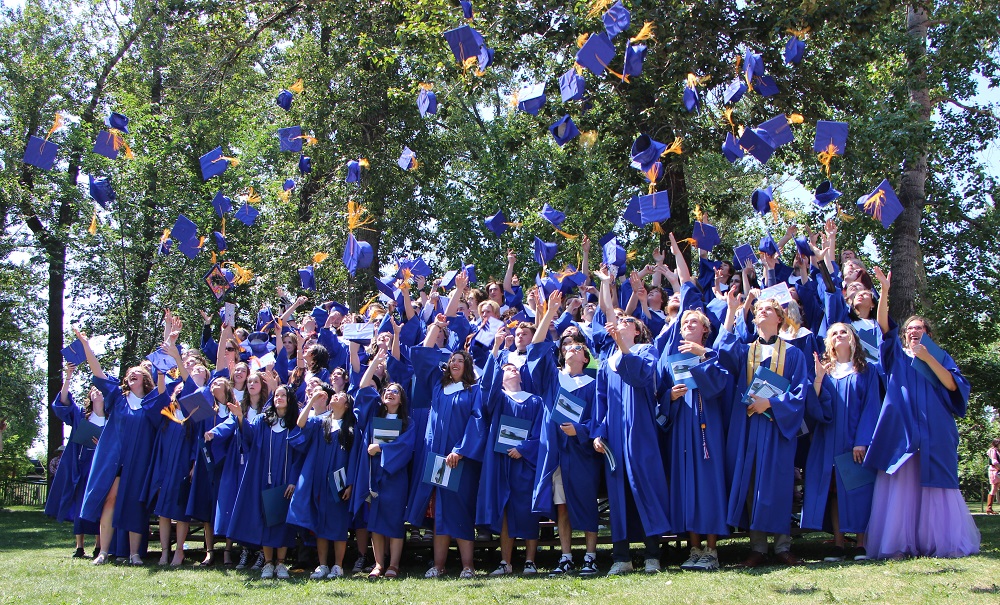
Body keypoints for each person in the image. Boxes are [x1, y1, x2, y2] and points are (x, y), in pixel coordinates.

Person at [864, 268, 980, 558]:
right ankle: (902, 544)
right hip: (902, 428)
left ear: (927, 334)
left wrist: (928, 358)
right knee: (903, 486)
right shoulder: (896, 355)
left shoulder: (939, 356)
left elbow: (954, 386)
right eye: (910, 329)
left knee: (937, 483)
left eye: (920, 328)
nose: (914, 331)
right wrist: (885, 291)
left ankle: (939, 542)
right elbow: (882, 325)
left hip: (935, 428)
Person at [715, 290, 809, 567]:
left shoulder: (793, 353)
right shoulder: (746, 350)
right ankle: (757, 547)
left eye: (768, 310)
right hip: (748, 427)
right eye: (758, 311)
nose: (761, 313)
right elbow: (722, 351)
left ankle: (782, 547)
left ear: (779, 318)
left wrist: (771, 403)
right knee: (751, 484)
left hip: (777, 428)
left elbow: (801, 392)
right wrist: (732, 311)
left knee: (779, 485)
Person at [591, 267, 670, 575]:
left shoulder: (647, 351)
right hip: (614, 432)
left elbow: (639, 376)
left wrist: (622, 344)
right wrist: (606, 284)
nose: (619, 324)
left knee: (645, 487)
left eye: (626, 323)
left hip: (641, 430)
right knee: (618, 495)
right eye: (618, 322)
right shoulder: (606, 362)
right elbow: (601, 401)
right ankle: (621, 558)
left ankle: (653, 556)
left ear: (636, 330)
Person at [76, 326, 172, 566]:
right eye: (130, 373)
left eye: (137, 373)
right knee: (109, 500)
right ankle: (103, 552)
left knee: (134, 504)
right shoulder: (118, 398)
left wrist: (167, 345)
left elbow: (163, 394)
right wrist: (87, 346)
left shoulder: (151, 403)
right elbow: (97, 373)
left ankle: (134, 554)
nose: (132, 375)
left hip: (139, 460)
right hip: (114, 459)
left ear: (145, 379)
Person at [407, 300, 486, 579]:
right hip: (437, 457)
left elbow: (478, 422)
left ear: (467, 366)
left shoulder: (472, 391)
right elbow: (424, 355)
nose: (454, 363)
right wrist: (437, 326)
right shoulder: (438, 388)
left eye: (459, 360)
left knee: (460, 510)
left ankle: (468, 566)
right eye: (452, 360)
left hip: (458, 459)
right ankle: (438, 566)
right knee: (439, 512)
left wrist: (461, 451)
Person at [527, 290, 602, 577]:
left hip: (580, 450)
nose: (572, 349)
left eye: (578, 348)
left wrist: (580, 430)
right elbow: (535, 348)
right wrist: (549, 312)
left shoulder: (593, 384)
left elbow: (599, 418)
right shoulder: (552, 379)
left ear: (586, 357)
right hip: (555, 450)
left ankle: (591, 557)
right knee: (562, 506)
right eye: (567, 347)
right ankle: (567, 556)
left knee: (586, 502)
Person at [801, 323, 881, 561]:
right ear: (829, 342)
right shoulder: (826, 371)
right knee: (833, 491)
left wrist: (863, 440)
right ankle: (838, 543)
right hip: (827, 439)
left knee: (859, 488)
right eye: (834, 333)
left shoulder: (867, 371)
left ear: (853, 338)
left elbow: (872, 407)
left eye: (843, 332)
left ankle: (860, 543)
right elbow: (814, 407)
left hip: (854, 439)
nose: (838, 335)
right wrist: (817, 378)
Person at [216, 384, 303, 579]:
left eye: (283, 395)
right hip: (265, 477)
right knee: (266, 519)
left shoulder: (295, 424)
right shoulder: (262, 421)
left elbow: (299, 456)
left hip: (285, 479)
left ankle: (281, 563)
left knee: (282, 521)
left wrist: (293, 480)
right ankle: (268, 562)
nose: (279, 398)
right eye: (276, 395)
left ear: (289, 399)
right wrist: (239, 416)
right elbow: (248, 438)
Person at [479, 327, 544, 576]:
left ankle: (530, 561)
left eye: (514, 367)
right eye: (506, 368)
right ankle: (505, 562)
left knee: (528, 510)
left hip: (524, 461)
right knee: (505, 510)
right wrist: (496, 348)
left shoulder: (534, 400)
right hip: (501, 460)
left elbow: (540, 435)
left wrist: (524, 449)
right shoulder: (499, 399)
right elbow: (487, 388)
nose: (512, 369)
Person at [353, 352, 416, 579]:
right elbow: (362, 386)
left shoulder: (408, 423)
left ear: (401, 399)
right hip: (374, 474)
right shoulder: (373, 415)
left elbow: (406, 447)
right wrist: (373, 363)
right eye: (387, 391)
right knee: (375, 521)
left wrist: (381, 449)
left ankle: (395, 564)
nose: (390, 393)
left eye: (395, 392)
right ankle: (379, 564)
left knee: (394, 519)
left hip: (395, 475)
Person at [289, 383, 356, 580]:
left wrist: (350, 484)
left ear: (347, 404)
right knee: (320, 524)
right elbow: (300, 424)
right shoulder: (321, 422)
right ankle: (323, 565)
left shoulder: (351, 428)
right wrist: (311, 401)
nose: (335, 397)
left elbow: (354, 458)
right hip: (320, 478)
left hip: (339, 481)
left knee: (338, 524)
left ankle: (338, 565)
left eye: (340, 396)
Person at [45, 362, 103, 558]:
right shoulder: (81, 416)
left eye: (99, 390)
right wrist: (68, 376)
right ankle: (79, 546)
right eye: (93, 390)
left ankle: (99, 545)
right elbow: (61, 404)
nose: (96, 392)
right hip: (81, 463)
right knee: (79, 503)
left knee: (98, 503)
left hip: (100, 464)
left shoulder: (111, 418)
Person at [987, 438, 1000, 515]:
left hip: (997, 471)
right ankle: (989, 508)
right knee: (994, 488)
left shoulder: (998, 451)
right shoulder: (993, 450)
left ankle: (989, 508)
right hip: (994, 471)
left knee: (995, 489)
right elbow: (994, 462)